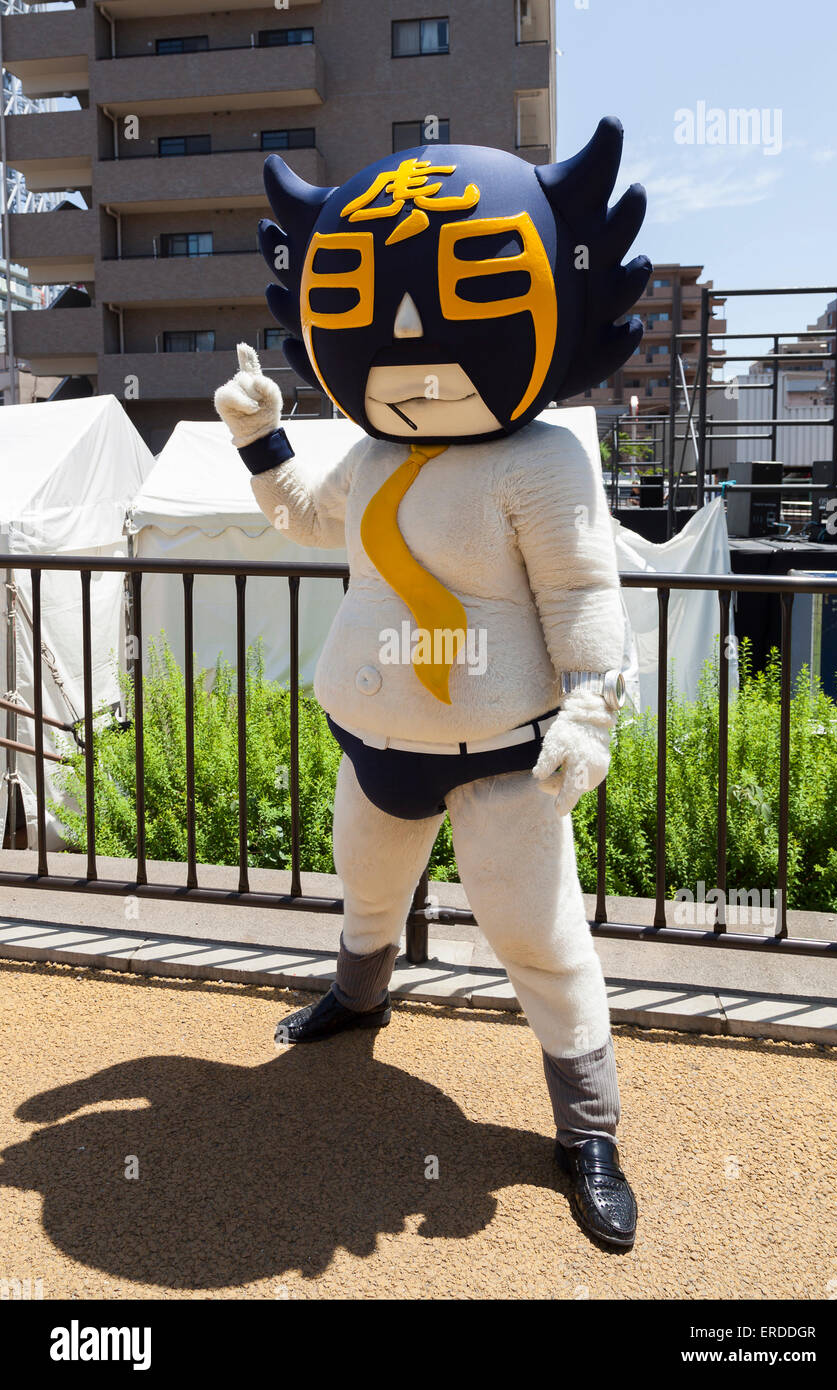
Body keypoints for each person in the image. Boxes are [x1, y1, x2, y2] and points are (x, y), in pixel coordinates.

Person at [215, 118, 650, 1249]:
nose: (409, 357)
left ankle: (587, 1127)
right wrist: (263, 440)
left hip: (503, 752)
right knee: (364, 892)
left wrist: (593, 707)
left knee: (538, 935)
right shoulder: (366, 455)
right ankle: (358, 995)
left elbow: (580, 592)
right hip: (375, 741)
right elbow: (310, 519)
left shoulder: (540, 460)